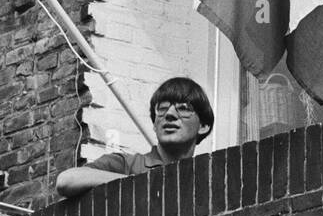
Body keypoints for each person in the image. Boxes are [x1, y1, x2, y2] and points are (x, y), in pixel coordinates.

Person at [56, 76, 214, 198]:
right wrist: (137, 183)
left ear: (203, 126)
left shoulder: (206, 180)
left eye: (183, 109)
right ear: (154, 124)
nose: (170, 115)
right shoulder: (126, 165)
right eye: (162, 109)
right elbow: (66, 180)